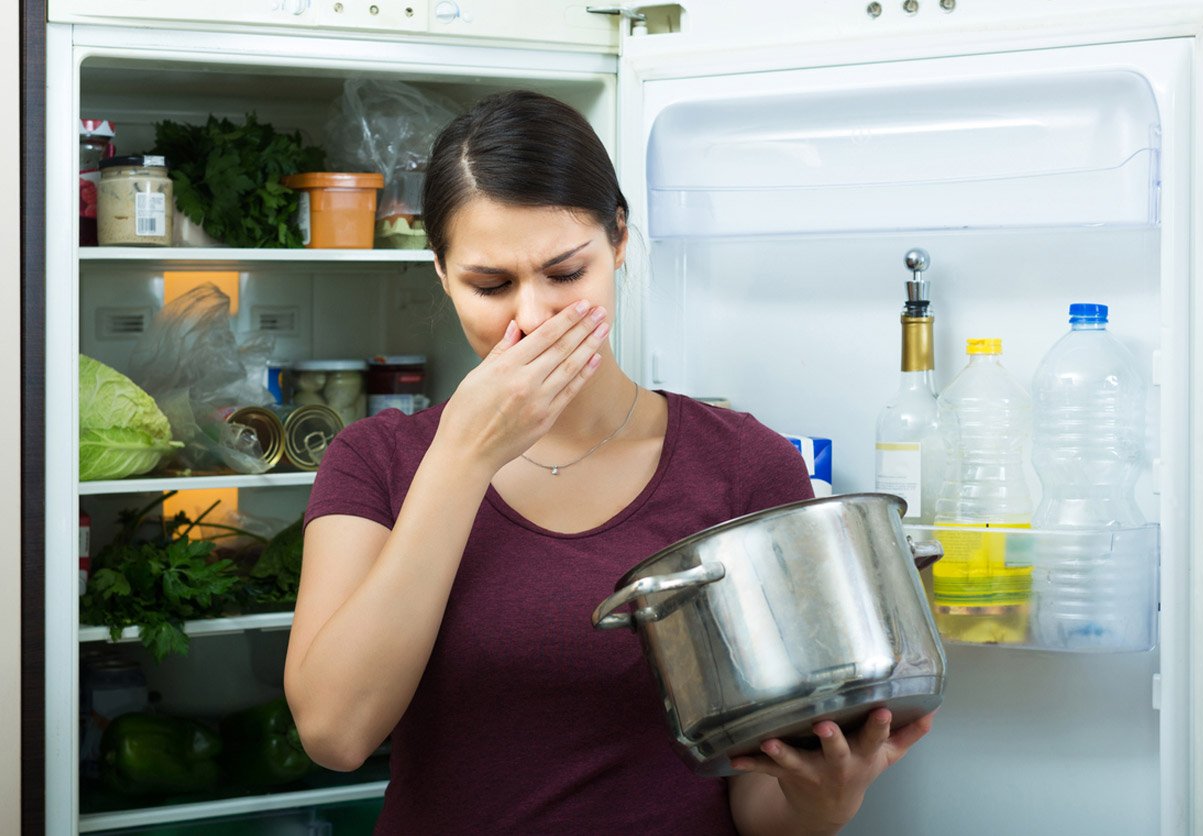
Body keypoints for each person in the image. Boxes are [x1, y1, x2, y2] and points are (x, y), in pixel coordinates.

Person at [284, 89, 934, 835]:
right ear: (439, 270)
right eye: (490, 285)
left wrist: (822, 799)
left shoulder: (741, 464)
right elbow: (335, 734)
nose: (533, 318)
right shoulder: (376, 461)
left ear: (619, 240)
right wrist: (463, 458)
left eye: (566, 273)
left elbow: (757, 795)